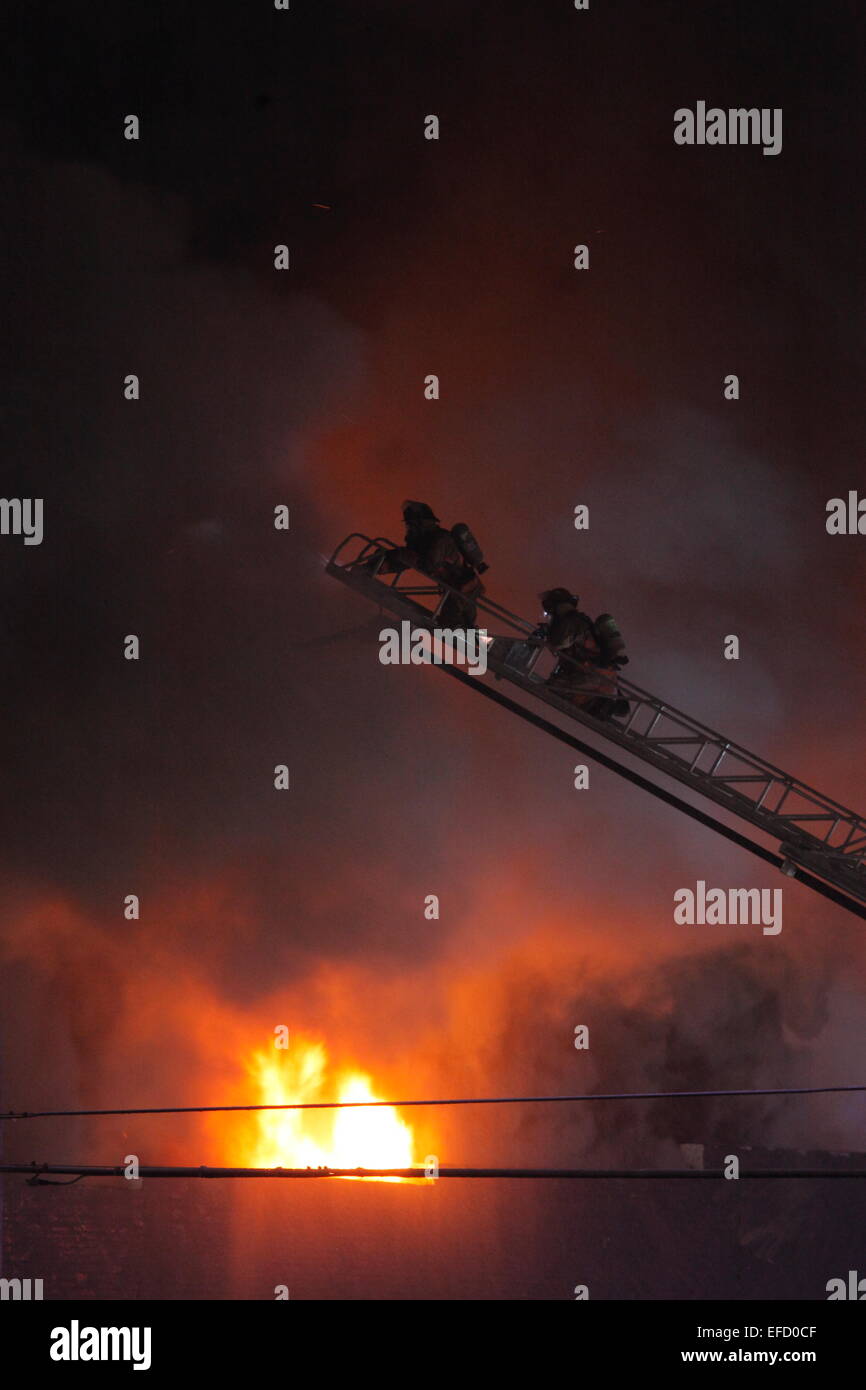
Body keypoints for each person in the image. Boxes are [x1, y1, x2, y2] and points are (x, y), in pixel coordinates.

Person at [365, 501, 487, 627]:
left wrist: (401, 555)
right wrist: (380, 564)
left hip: (464, 587)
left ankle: (474, 636)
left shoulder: (440, 540)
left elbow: (428, 564)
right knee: (455, 624)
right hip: (456, 587)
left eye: (411, 525)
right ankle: (369, 569)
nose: (409, 529)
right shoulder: (425, 541)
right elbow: (405, 561)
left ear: (420, 523)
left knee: (451, 625)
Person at [537, 588, 629, 720]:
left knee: (553, 688)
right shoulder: (581, 621)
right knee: (555, 686)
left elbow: (558, 643)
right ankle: (604, 704)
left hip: (592, 676)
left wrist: (545, 633)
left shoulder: (570, 622)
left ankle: (599, 705)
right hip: (602, 677)